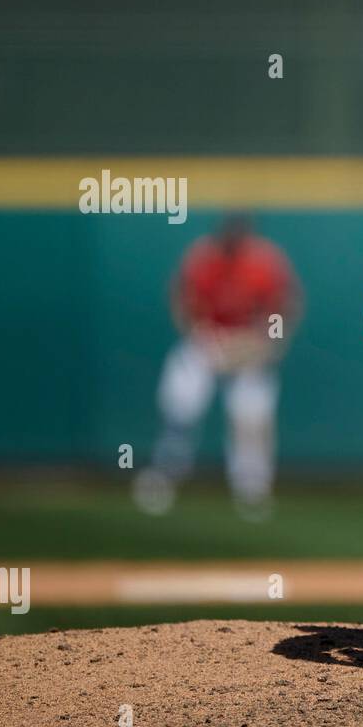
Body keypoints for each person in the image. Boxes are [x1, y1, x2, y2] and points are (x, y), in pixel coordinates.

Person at [133, 213, 302, 522]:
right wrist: (201, 335)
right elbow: (183, 300)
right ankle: (164, 477)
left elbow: (283, 310)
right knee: (181, 405)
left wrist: (263, 344)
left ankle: (253, 489)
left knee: (251, 414)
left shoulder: (265, 262)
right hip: (209, 341)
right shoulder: (203, 258)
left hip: (250, 346)